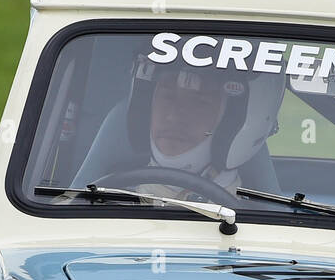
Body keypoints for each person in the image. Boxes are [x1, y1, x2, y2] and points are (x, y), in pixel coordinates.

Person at [74, 54, 285, 195]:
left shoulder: (260, 225)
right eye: (167, 96)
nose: (174, 116)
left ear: (234, 120)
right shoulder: (87, 209)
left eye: (200, 102)